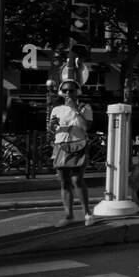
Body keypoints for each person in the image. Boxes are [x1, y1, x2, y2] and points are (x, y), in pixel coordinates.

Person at [49, 80, 95, 226]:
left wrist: (74, 109)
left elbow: (85, 126)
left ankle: (87, 213)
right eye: (65, 91)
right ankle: (69, 215)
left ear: (77, 92)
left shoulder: (84, 107)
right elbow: (52, 127)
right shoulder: (56, 109)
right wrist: (53, 127)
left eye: (71, 90)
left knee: (77, 180)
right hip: (61, 145)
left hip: (78, 145)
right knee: (64, 181)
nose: (68, 93)